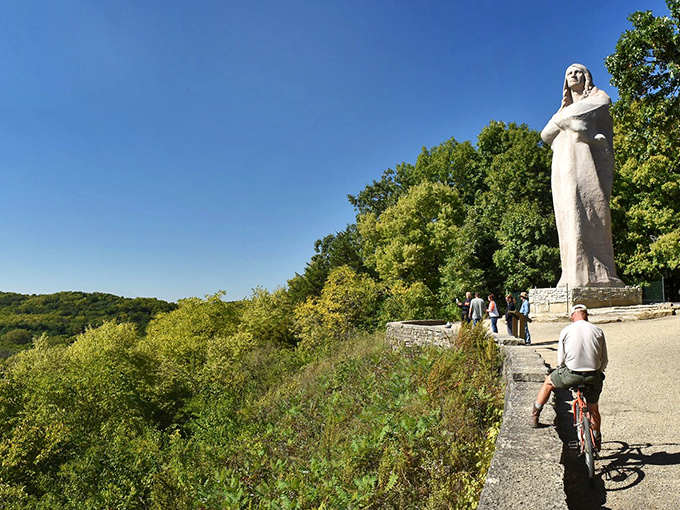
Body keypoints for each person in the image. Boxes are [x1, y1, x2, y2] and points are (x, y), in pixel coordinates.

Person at [540, 63, 624, 288]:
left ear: (587, 77)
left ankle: (598, 274)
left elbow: (602, 105)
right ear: (565, 82)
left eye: (578, 72)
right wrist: (570, 123)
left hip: (587, 165)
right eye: (569, 73)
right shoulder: (562, 111)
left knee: (587, 214)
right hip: (563, 166)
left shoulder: (599, 97)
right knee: (568, 218)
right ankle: (572, 274)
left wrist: (567, 123)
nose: (573, 75)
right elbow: (545, 134)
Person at [530, 304, 607, 450]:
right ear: (586, 315)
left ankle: (535, 415)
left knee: (548, 382)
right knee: (593, 408)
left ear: (572, 316)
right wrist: (597, 371)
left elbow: (561, 359)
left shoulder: (566, 330)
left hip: (571, 373)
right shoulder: (598, 330)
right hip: (593, 375)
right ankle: (596, 439)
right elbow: (604, 360)